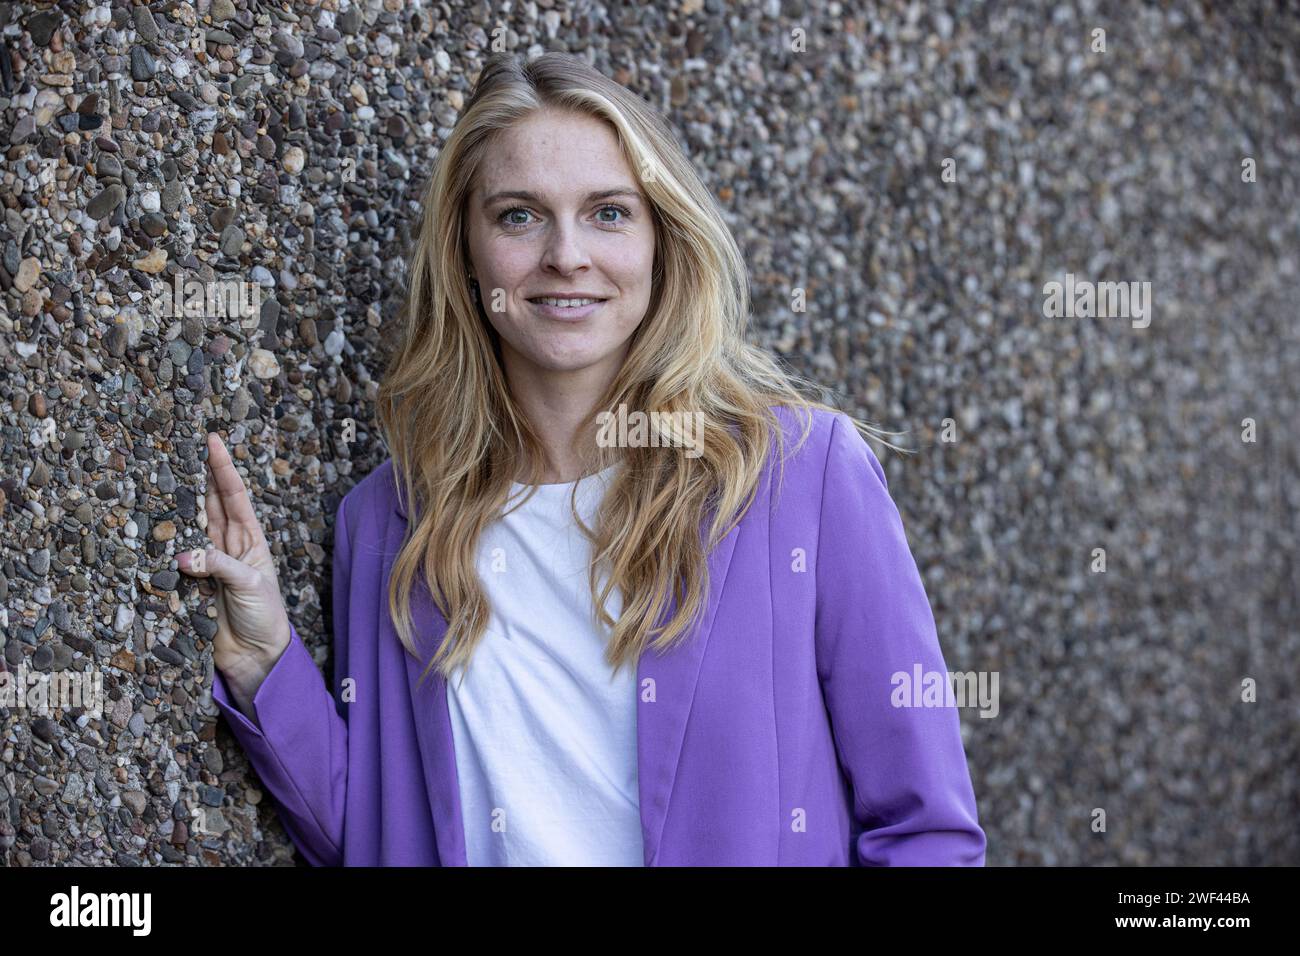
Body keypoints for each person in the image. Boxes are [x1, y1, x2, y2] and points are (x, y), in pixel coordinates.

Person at [178, 52, 986, 866]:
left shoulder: (800, 478)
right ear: (466, 252)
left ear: (661, 238)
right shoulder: (390, 522)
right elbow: (379, 834)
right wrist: (264, 662)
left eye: (608, 212)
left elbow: (926, 829)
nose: (567, 255)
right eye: (519, 216)